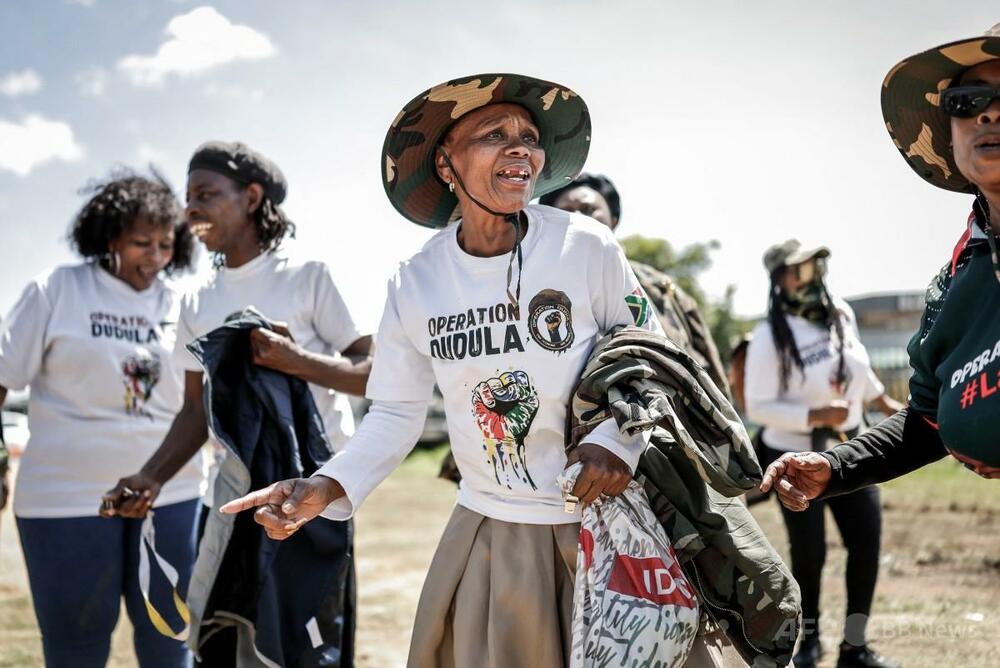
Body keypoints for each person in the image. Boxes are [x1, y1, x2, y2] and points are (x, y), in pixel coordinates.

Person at [220, 73, 738, 667]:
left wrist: (615, 441)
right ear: (447, 164)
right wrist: (327, 486)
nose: (521, 147)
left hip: (610, 524)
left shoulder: (586, 248)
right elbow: (394, 411)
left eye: (529, 136)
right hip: (494, 533)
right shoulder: (416, 282)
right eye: (494, 134)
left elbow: (653, 355)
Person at [103, 142, 371, 664]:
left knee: (305, 650)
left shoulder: (308, 277)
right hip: (232, 504)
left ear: (252, 197)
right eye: (188, 198)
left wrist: (296, 360)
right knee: (223, 645)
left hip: (311, 496)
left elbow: (372, 373)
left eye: (205, 194)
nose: (191, 210)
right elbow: (194, 412)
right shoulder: (196, 301)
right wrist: (152, 476)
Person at [760, 25, 1000, 516]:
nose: (989, 112)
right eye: (967, 101)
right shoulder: (954, 286)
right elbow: (928, 419)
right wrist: (840, 465)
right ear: (949, 134)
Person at [0, 171, 202, 668]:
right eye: (140, 243)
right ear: (108, 237)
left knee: (169, 640)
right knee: (75, 646)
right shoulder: (55, 289)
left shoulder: (183, 304)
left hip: (171, 497)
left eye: (165, 244)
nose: (155, 257)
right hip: (65, 499)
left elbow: (201, 404)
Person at [745, 241, 904, 668]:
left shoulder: (840, 313)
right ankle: (809, 643)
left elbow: (858, 366)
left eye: (816, 263)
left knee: (865, 545)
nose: (814, 272)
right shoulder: (768, 335)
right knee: (810, 555)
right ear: (782, 278)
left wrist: (883, 402)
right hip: (795, 459)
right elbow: (757, 405)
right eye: (802, 267)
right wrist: (813, 412)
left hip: (850, 450)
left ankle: (854, 646)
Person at [539, 173, 731, 398]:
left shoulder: (659, 288)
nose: (578, 219)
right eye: (567, 212)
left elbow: (707, 374)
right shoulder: (528, 287)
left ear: (614, 220)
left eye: (589, 210)